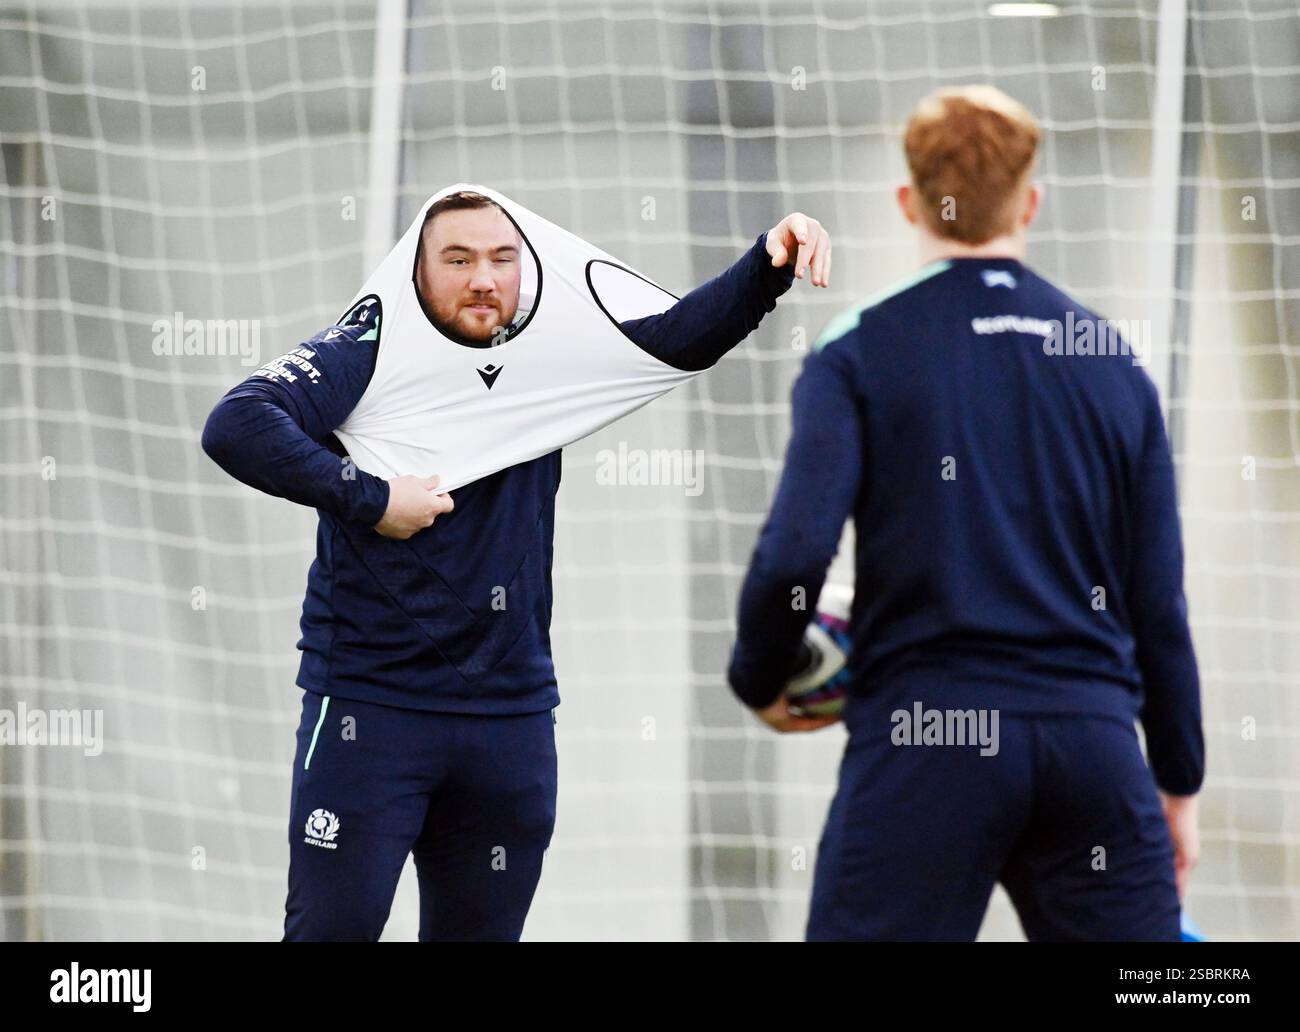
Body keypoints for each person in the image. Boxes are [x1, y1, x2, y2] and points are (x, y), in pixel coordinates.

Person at [201, 189, 831, 940]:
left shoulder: (548, 349)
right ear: (417, 270)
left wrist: (768, 263)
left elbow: (677, 337)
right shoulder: (368, 343)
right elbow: (236, 423)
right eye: (458, 260)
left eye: (503, 259)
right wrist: (370, 498)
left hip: (510, 724)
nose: (483, 279)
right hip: (370, 716)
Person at [726, 86, 1203, 941]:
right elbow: (1158, 602)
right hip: (1090, 750)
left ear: (909, 201)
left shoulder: (859, 349)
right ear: (1031, 200)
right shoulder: (1112, 362)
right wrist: (1177, 784)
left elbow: (795, 552)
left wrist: (758, 677)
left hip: (927, 741)